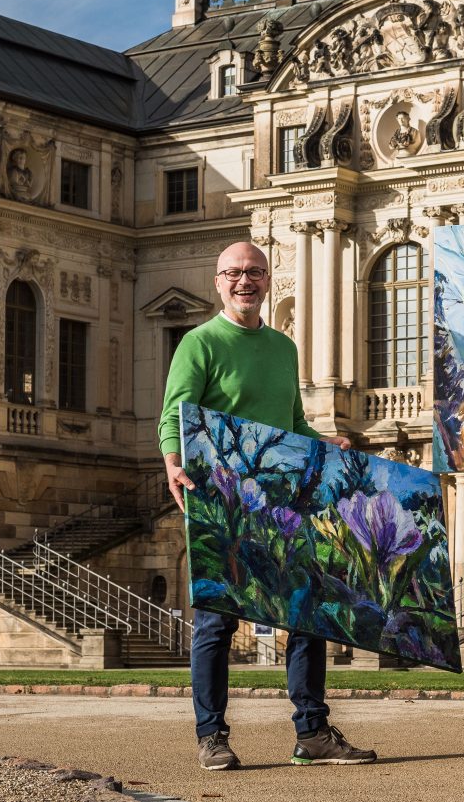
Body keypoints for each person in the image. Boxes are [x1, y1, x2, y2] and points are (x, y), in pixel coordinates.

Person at [160, 241, 378, 771]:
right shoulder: (199, 342)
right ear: (218, 282)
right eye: (234, 273)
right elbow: (174, 414)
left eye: (255, 272)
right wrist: (171, 462)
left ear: (267, 279)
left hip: (283, 499)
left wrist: (325, 446)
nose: (244, 282)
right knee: (216, 623)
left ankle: (313, 733)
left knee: (309, 616)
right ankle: (212, 735)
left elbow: (292, 423)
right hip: (222, 498)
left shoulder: (283, 348)